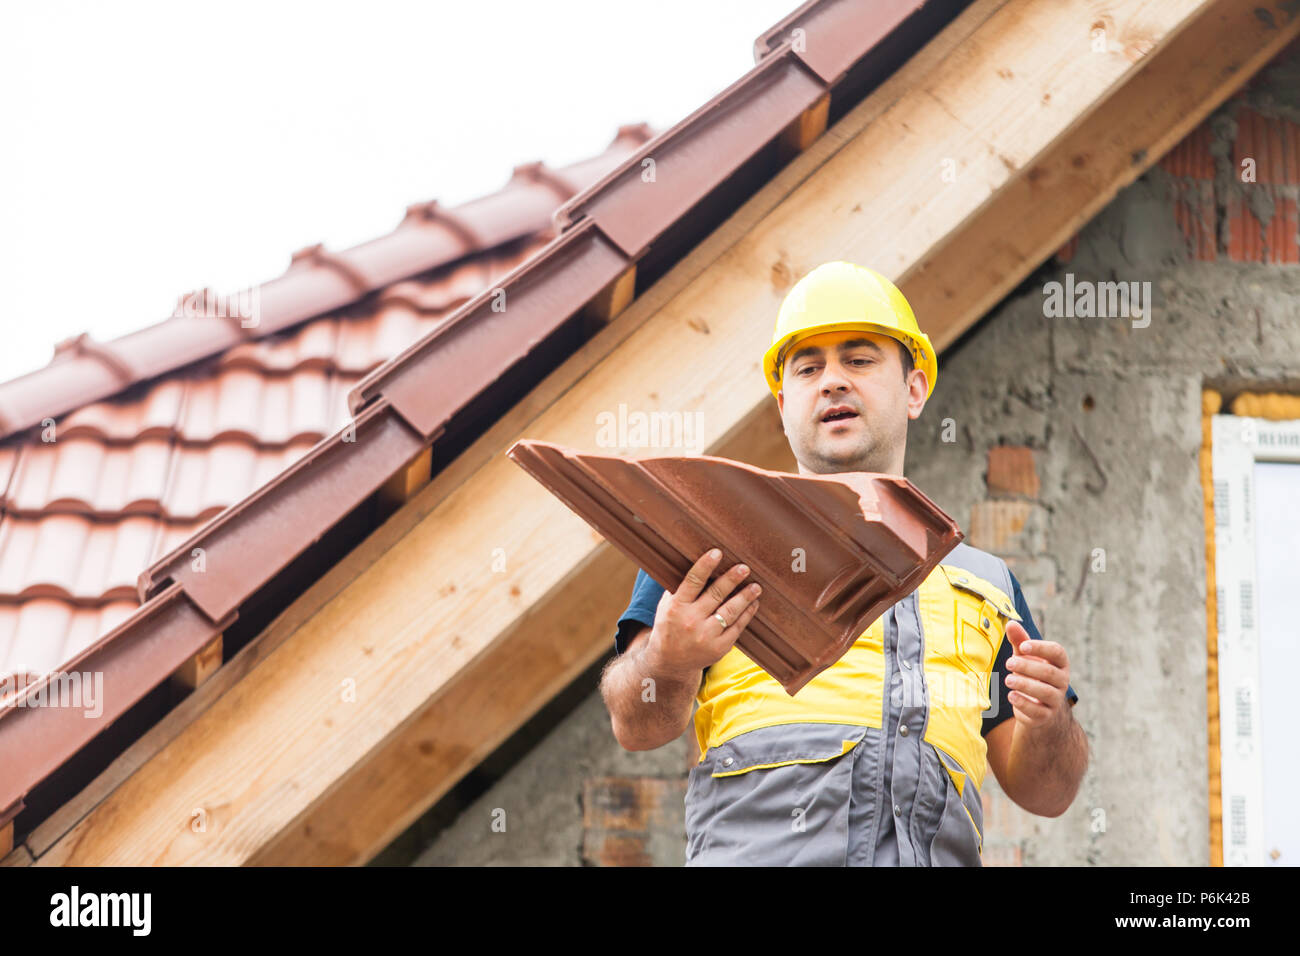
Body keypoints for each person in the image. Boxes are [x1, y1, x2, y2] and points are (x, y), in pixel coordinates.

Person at [598, 261, 1088, 866]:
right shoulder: (710, 539)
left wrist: (1048, 721)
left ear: (914, 389)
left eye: (858, 360)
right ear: (783, 404)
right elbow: (637, 726)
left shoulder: (986, 582)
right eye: (809, 368)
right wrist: (669, 658)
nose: (832, 382)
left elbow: (1049, 792)